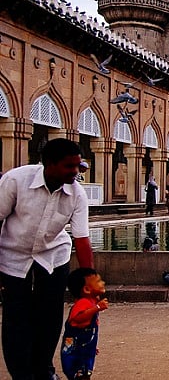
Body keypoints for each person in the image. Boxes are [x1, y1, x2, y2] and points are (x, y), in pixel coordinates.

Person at [0, 137, 95, 380]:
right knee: (16, 318)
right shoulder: (15, 181)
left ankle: (44, 369)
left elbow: (82, 240)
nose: (75, 172)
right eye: (69, 166)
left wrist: (90, 283)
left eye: (77, 166)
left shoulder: (76, 194)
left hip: (53, 255)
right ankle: (21, 373)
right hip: (13, 255)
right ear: (49, 164)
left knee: (50, 317)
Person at [60, 268, 108, 380]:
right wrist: (97, 308)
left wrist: (91, 345)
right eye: (98, 281)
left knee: (85, 373)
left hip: (83, 348)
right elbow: (76, 318)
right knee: (80, 374)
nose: (103, 283)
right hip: (76, 352)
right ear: (86, 289)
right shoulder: (83, 303)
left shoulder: (90, 302)